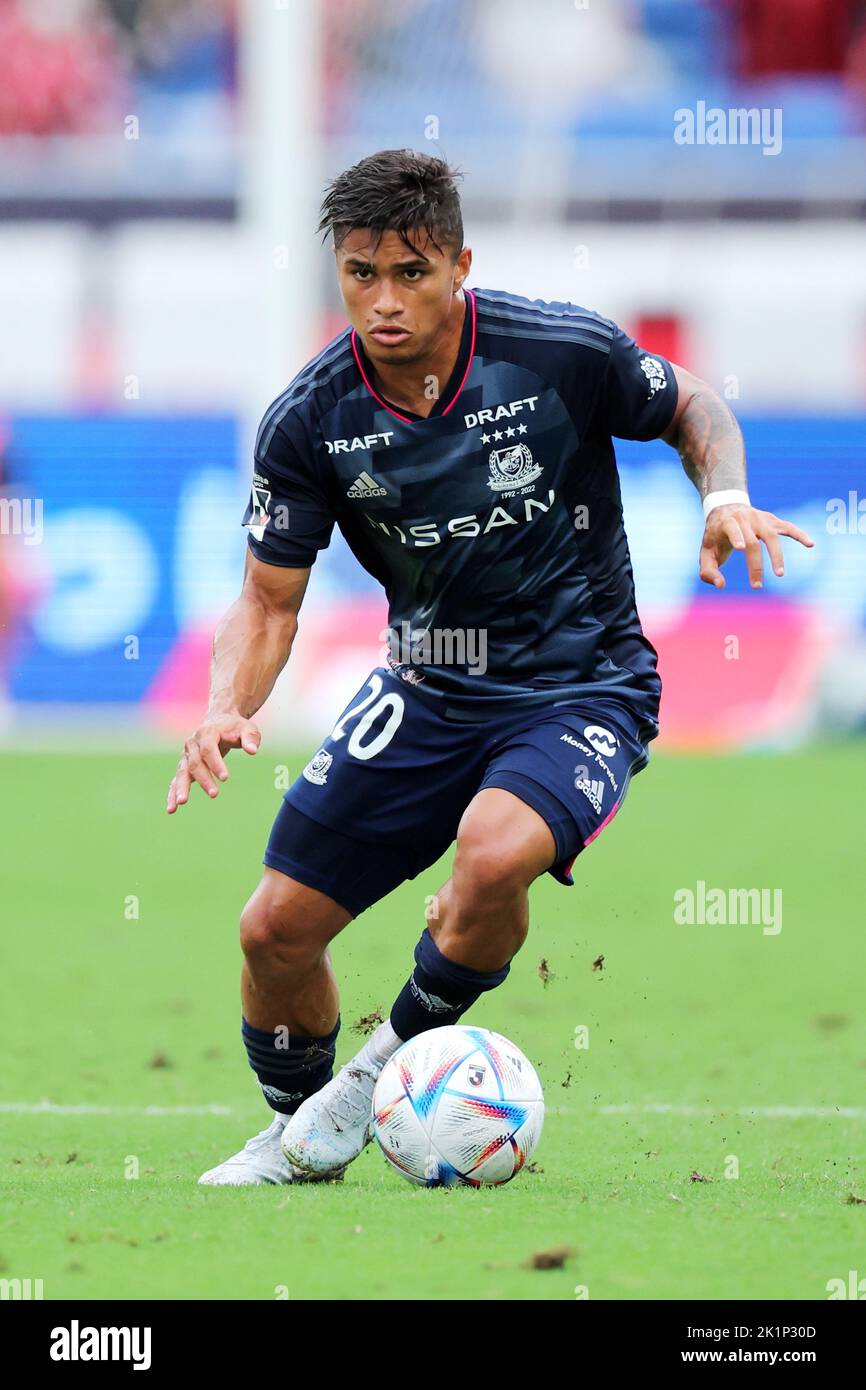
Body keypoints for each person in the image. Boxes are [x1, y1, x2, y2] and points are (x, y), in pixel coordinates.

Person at [167, 149, 813, 1185]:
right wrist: (222, 706)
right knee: (272, 931)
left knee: (493, 849)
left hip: (581, 681)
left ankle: (369, 1077)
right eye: (359, 273)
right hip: (426, 685)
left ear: (459, 263)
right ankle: (302, 1136)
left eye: (410, 273)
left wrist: (721, 497)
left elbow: (690, 403)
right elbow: (268, 599)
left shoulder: (554, 351)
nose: (382, 301)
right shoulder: (311, 420)